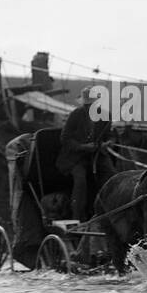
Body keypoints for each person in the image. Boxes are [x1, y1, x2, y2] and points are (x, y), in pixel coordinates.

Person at [56, 86, 104, 221]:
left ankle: (107, 213)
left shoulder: (104, 116)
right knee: (80, 180)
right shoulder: (76, 115)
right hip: (73, 159)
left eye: (93, 104)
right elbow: (64, 138)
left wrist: (108, 143)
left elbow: (109, 136)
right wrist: (83, 147)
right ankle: (77, 217)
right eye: (88, 104)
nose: (91, 107)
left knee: (111, 175)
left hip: (95, 157)